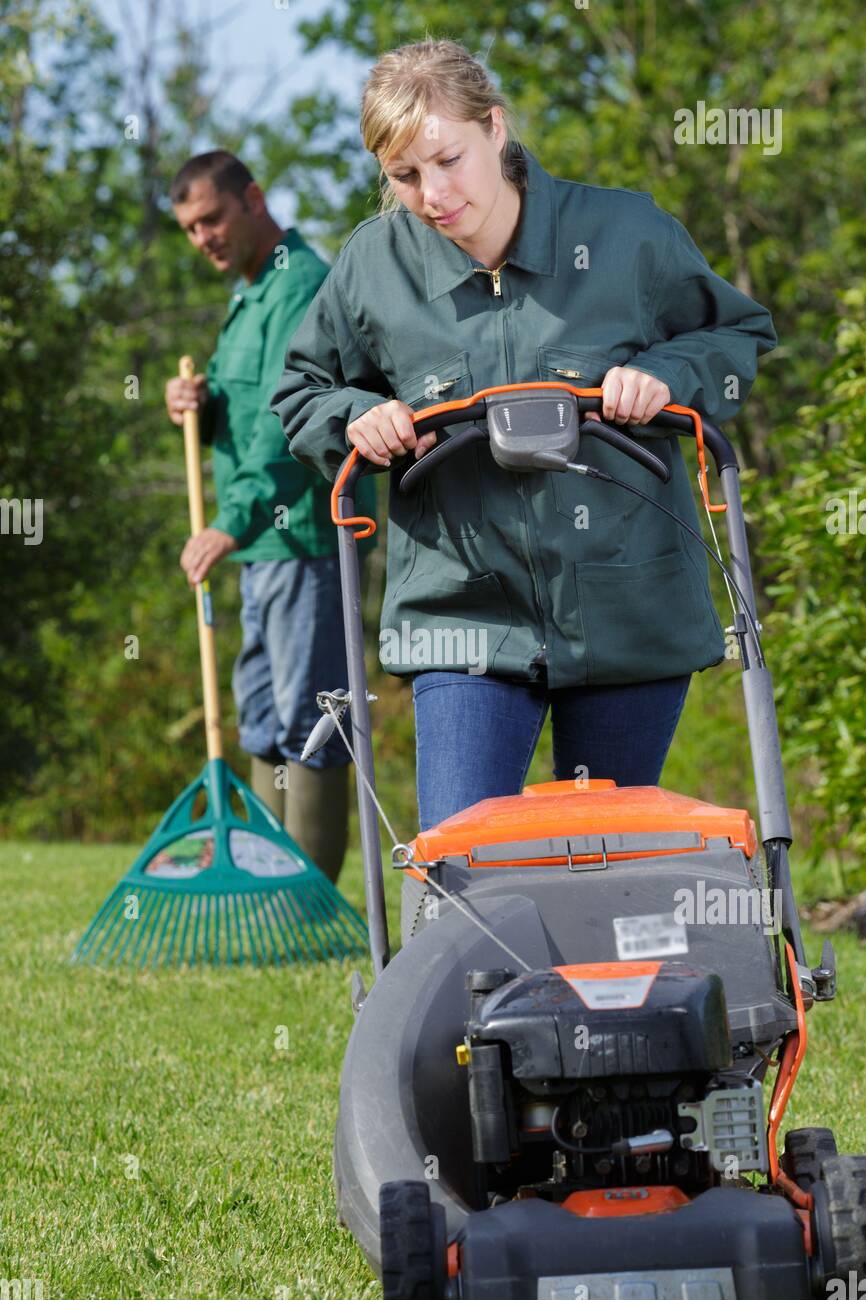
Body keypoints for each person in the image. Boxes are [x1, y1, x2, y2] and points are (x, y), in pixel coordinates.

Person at [270, 40, 777, 833]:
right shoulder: (373, 265)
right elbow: (301, 390)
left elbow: (738, 336)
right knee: (464, 866)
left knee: (608, 867)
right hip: (460, 611)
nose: (433, 195)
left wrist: (670, 375)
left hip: (627, 603)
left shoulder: (625, 232)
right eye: (404, 176)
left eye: (448, 160)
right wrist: (353, 418)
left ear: (495, 129)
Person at [165, 149, 376, 879]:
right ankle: (265, 877)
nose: (204, 239)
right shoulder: (247, 296)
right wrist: (197, 404)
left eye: (213, 219)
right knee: (260, 712)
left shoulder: (302, 285)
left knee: (309, 718)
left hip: (305, 535)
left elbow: (291, 426)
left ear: (253, 198)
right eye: (191, 230)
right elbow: (246, 408)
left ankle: (306, 894)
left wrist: (234, 519)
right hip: (261, 546)